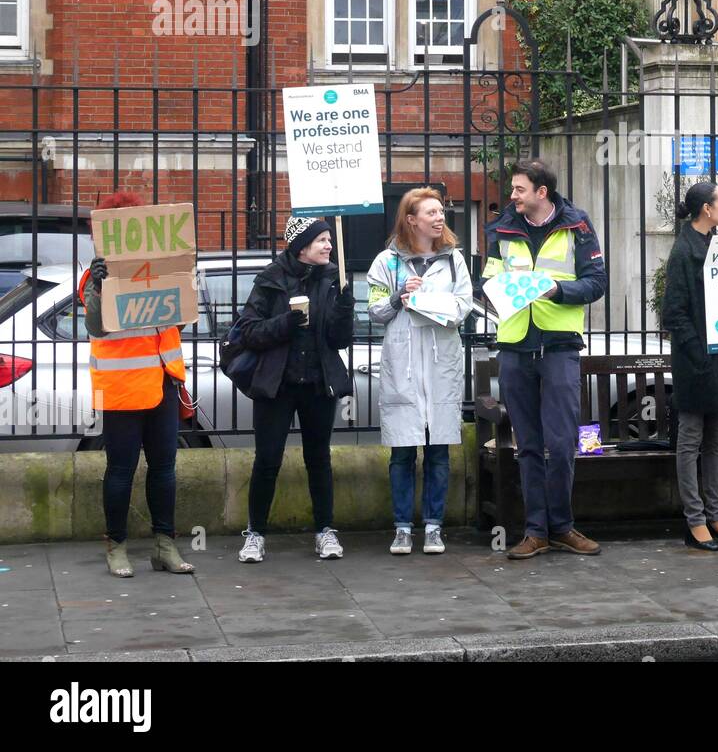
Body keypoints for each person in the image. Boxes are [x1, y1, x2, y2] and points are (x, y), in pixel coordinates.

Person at [482, 158, 608, 560]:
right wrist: (495, 289)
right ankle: (535, 531)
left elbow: (597, 282)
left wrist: (558, 290)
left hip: (559, 347)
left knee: (561, 441)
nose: (512, 195)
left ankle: (563, 527)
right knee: (529, 445)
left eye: (519, 189)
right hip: (515, 346)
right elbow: (489, 278)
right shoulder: (502, 228)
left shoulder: (578, 226)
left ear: (542, 192)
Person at [80, 191, 194, 578]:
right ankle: (117, 546)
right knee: (121, 470)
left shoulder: (159, 269)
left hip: (162, 382)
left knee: (165, 468)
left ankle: (165, 544)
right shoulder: (93, 276)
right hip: (122, 388)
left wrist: (184, 282)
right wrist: (99, 286)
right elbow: (96, 326)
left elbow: (177, 322)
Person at [235, 217, 355, 564]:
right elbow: (250, 333)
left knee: (319, 459)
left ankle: (325, 531)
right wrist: (285, 323)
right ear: (302, 245)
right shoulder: (270, 279)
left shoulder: (334, 278)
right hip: (277, 385)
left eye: (330, 240)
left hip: (318, 382)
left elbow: (340, 340)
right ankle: (255, 533)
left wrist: (344, 309)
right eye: (321, 240)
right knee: (267, 460)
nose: (328, 246)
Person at [367, 188, 473, 555]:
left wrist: (433, 304)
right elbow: (375, 311)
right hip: (405, 362)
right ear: (411, 219)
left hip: (440, 359)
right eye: (430, 212)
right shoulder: (386, 261)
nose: (439, 217)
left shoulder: (454, 260)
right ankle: (401, 527)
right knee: (402, 450)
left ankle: (433, 526)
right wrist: (399, 295)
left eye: (441, 211)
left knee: (438, 449)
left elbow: (464, 304)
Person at [661, 181, 718, 552]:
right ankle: (695, 519)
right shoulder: (684, 251)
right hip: (697, 361)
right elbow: (673, 314)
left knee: (715, 441)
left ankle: (716, 514)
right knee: (691, 440)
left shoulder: (717, 244)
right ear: (706, 210)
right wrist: (697, 354)